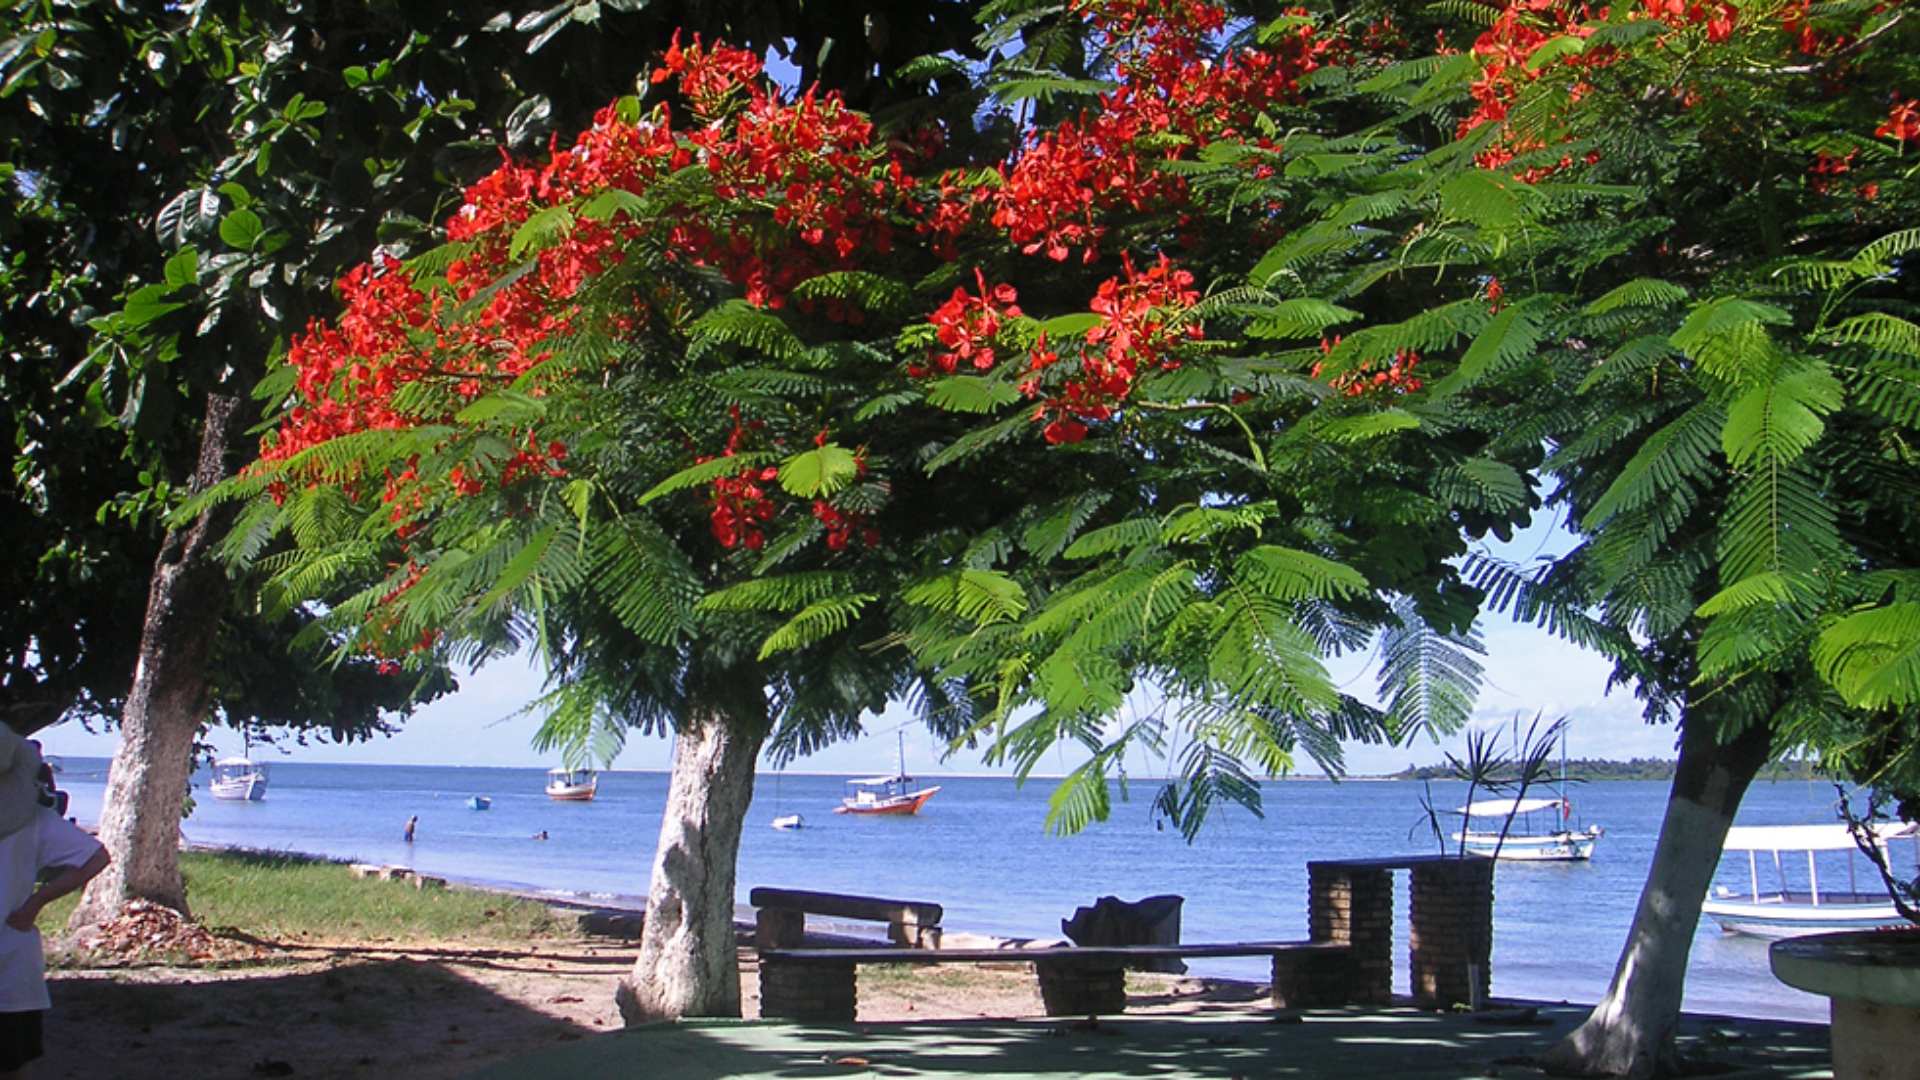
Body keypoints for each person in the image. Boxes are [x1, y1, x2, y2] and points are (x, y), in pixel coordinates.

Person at [0, 728, 109, 1079]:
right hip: (13, 952)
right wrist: (37, 901)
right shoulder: (33, 819)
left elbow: (96, 857)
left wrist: (38, 900)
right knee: (17, 1063)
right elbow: (95, 857)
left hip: (12, 957)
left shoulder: (34, 821)